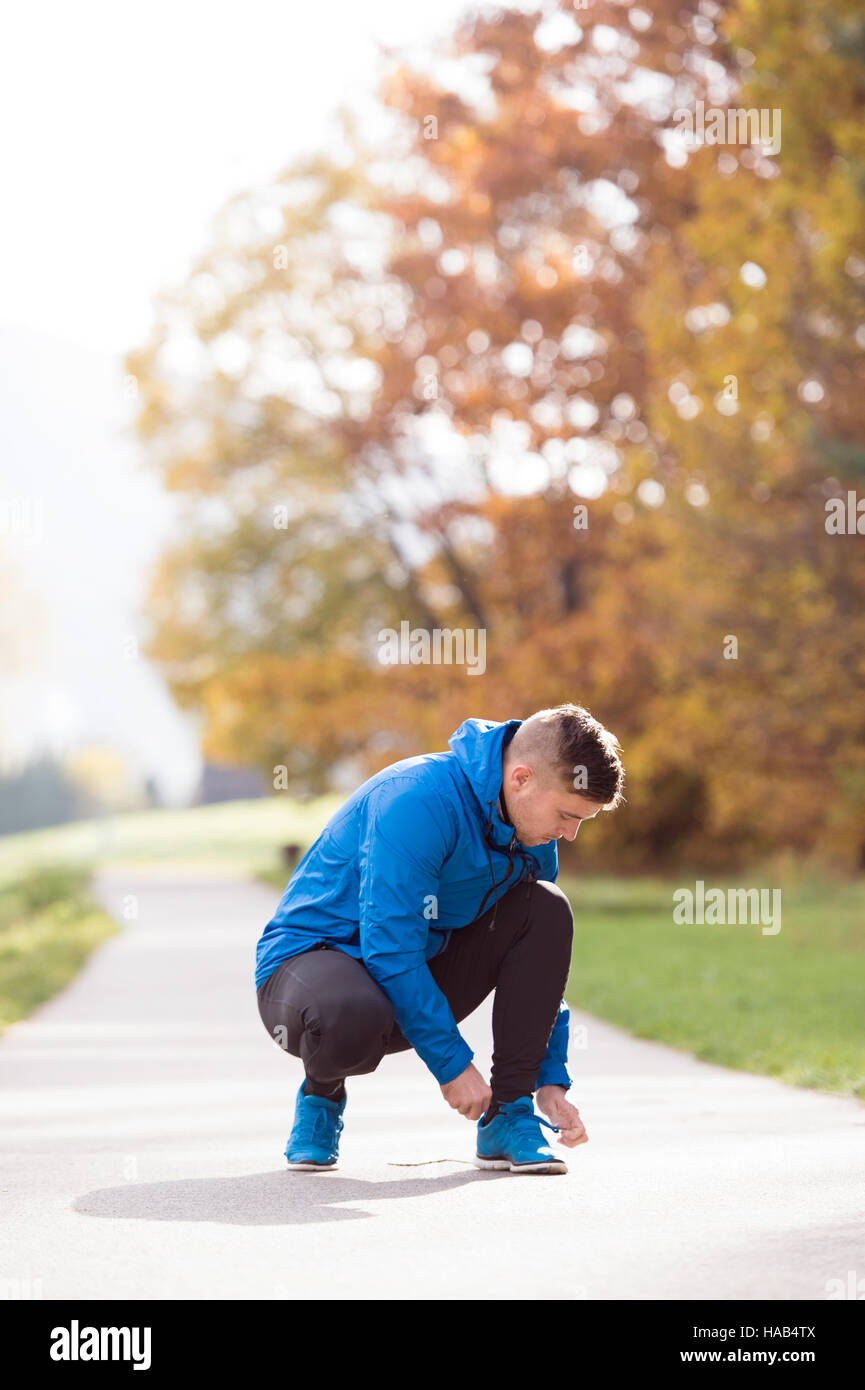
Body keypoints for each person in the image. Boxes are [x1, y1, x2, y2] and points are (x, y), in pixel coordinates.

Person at [255, 703, 625, 1175]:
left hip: (412, 971)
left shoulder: (532, 835)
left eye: (581, 822)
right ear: (521, 778)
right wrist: (453, 1067)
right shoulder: (415, 799)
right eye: (567, 815)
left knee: (546, 907)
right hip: (309, 969)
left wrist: (551, 1080)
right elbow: (389, 946)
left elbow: (541, 971)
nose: (569, 834)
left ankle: (508, 1117)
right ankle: (321, 1096)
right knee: (349, 1013)